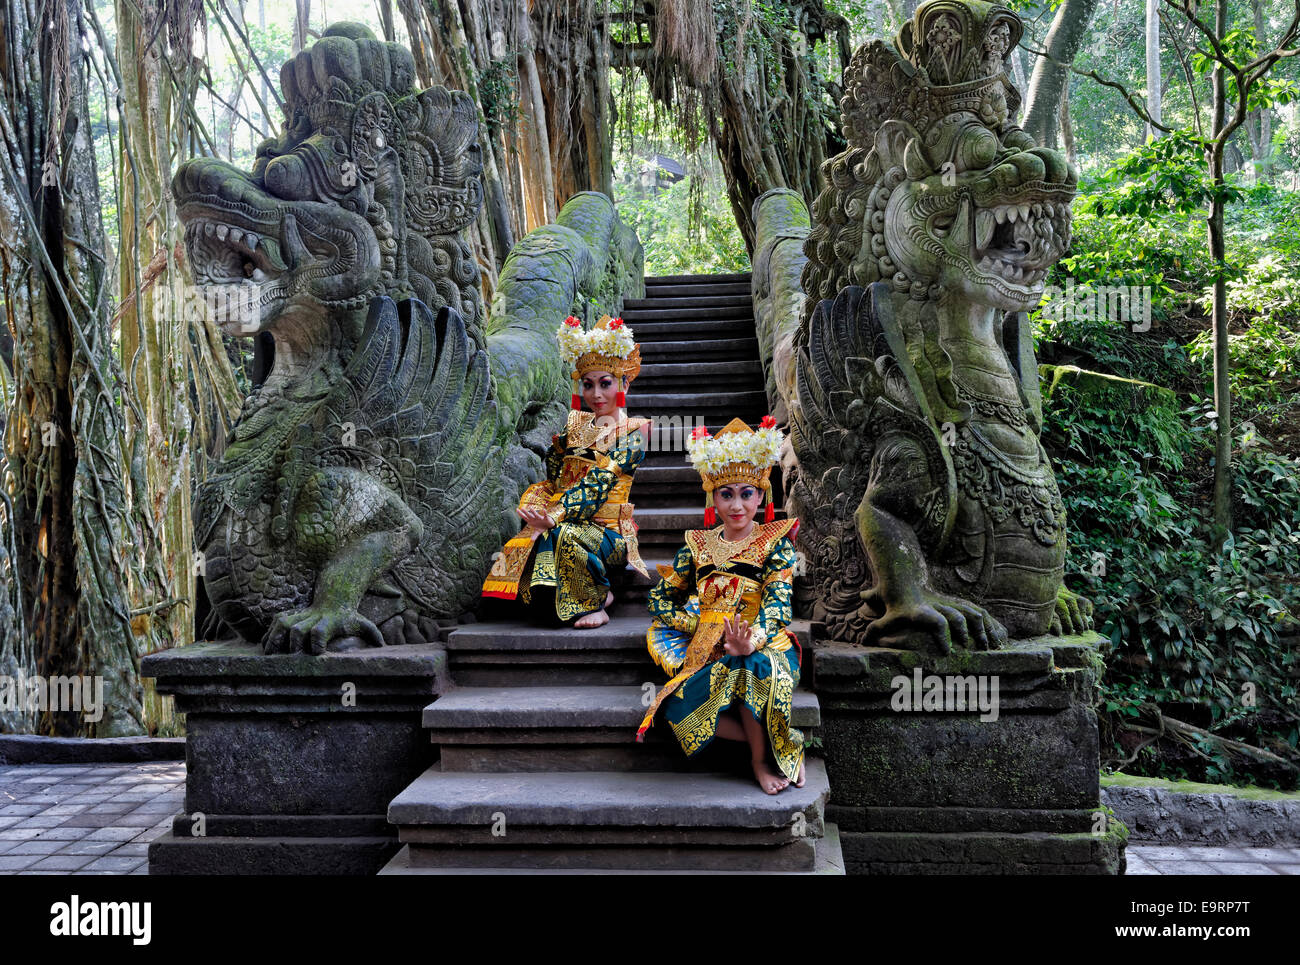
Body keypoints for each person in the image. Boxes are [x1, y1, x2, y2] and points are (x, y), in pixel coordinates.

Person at [637, 416, 806, 794]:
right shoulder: (697, 546)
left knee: (748, 665)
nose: (737, 505)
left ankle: (761, 762)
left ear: (762, 496)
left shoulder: (775, 542)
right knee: (672, 710)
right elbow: (660, 598)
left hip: (766, 646)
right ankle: (781, 744)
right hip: (707, 647)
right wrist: (696, 625)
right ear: (713, 496)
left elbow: (778, 606)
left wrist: (752, 639)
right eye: (726, 493)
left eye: (747, 493)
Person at [482, 314, 650, 629]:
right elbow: (555, 477)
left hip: (610, 533)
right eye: (588, 385)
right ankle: (563, 600)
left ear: (624, 383)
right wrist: (539, 500)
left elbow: (598, 485)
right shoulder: (573, 426)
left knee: (563, 533)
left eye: (605, 384)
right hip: (562, 516)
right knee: (541, 533)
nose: (596, 395)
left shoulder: (634, 432)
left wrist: (556, 514)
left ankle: (598, 600)